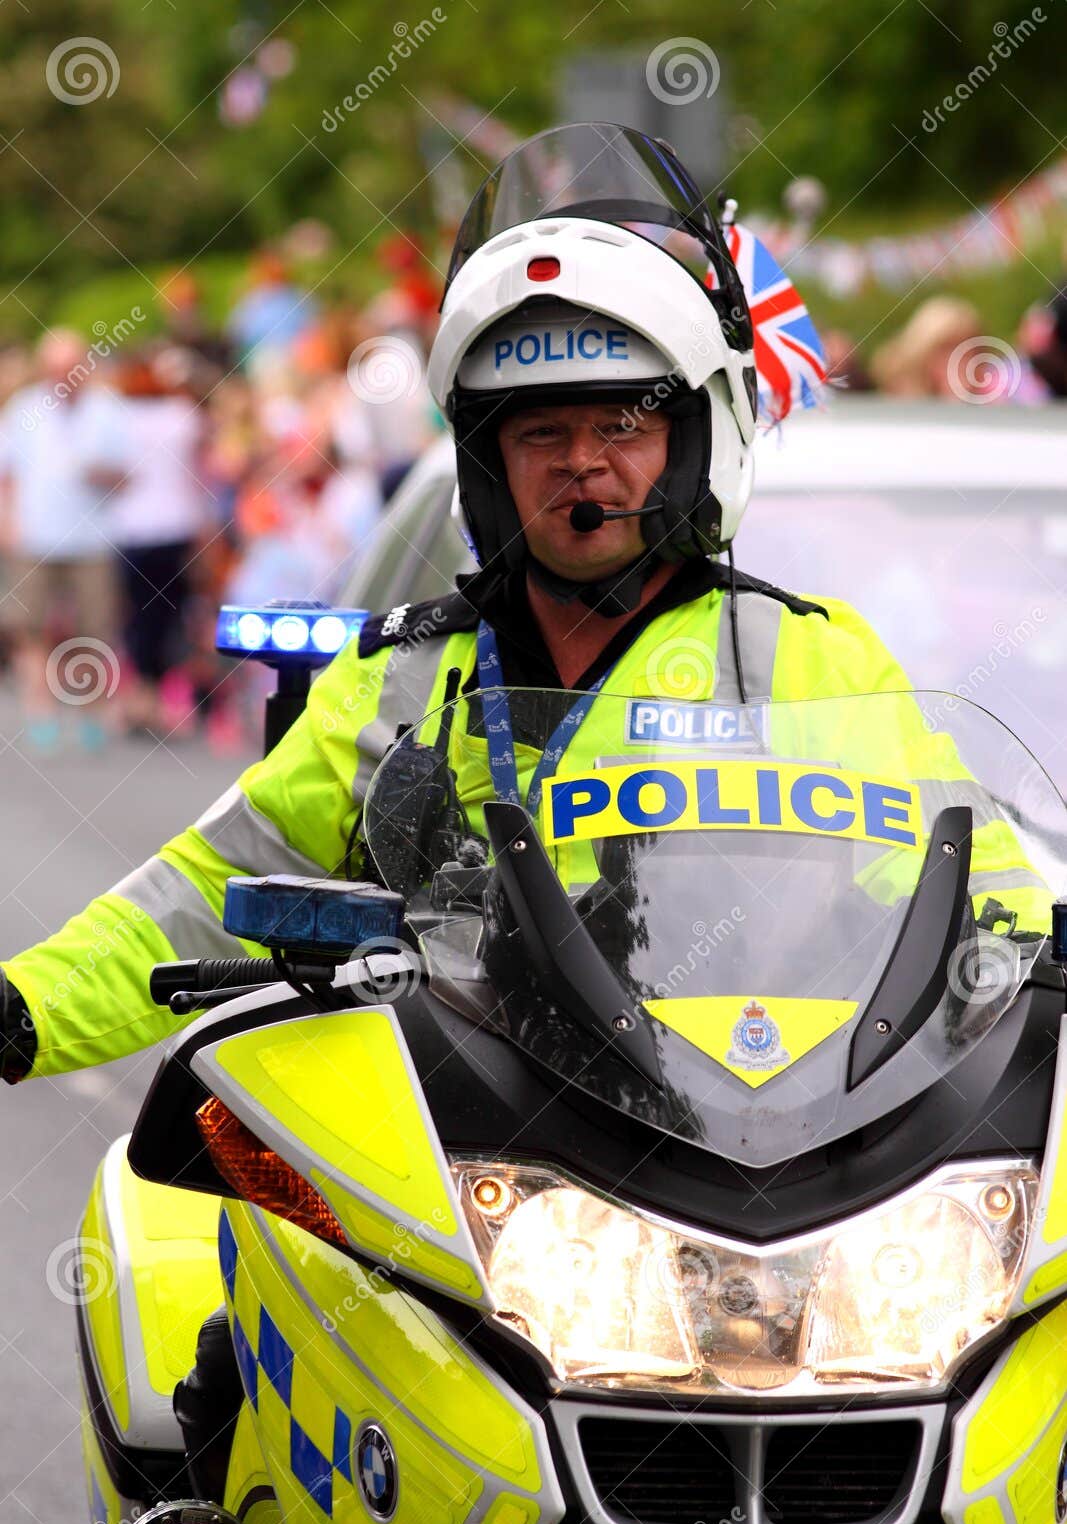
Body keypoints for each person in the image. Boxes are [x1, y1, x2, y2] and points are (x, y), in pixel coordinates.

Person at [0, 124, 1047, 1083]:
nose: (582, 465)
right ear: (487, 464)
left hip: (763, 1133)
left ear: (690, 445)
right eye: (540, 434)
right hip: (463, 1152)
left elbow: (976, 888)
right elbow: (203, 889)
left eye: (622, 427)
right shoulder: (401, 681)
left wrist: (1032, 957)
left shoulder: (808, 660)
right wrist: (25, 1003)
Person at [0, 329, 130, 753]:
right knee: (32, 628)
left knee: (93, 629)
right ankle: (41, 711)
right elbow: (7, 474)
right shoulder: (24, 408)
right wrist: (8, 524)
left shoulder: (107, 409)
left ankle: (92, 712)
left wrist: (100, 473)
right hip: (36, 537)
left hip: (92, 540)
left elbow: (128, 475)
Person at [109, 352, 209, 737]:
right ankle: (156, 698)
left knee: (139, 617)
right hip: (171, 528)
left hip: (135, 530)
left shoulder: (122, 419)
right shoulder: (181, 415)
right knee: (167, 616)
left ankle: (144, 697)